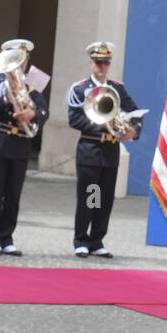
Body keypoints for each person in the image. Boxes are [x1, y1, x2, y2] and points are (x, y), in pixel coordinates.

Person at [67, 40, 142, 258]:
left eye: (106, 62)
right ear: (91, 62)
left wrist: (133, 130)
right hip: (91, 149)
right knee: (90, 196)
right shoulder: (80, 89)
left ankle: (97, 240)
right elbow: (74, 119)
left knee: (105, 198)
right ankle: (81, 239)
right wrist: (103, 123)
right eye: (98, 62)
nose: (102, 67)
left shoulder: (116, 88)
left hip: (110, 151)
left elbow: (133, 111)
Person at [0, 38, 48, 256]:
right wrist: (6, 99)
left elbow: (44, 111)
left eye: (24, 59)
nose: (21, 64)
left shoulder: (33, 82)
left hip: (20, 144)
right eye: (17, 58)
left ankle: (7, 237)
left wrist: (33, 113)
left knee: (13, 194)